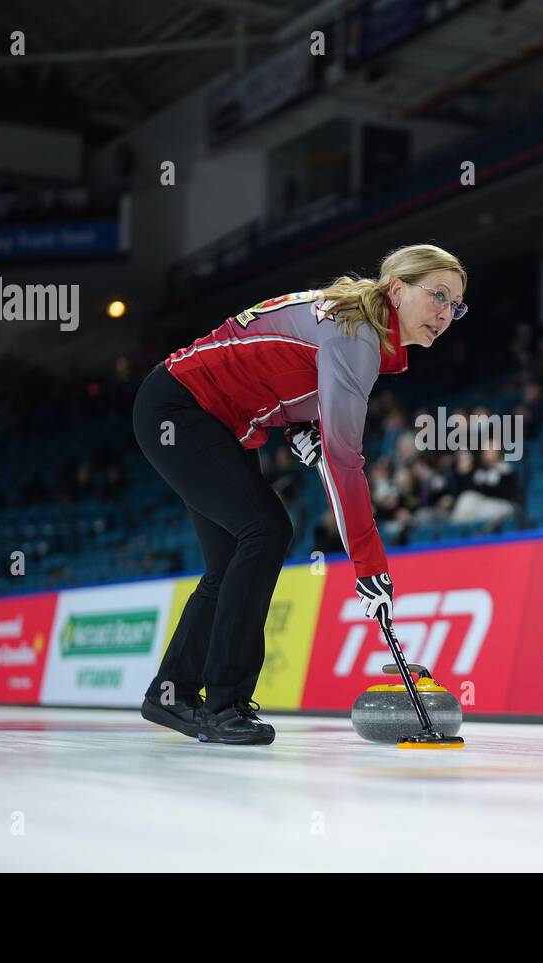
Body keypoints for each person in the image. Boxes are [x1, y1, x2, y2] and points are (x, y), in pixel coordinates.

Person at [132, 244, 467, 745]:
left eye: (456, 305)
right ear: (396, 288)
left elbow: (278, 371)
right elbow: (344, 462)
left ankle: (173, 693)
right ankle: (224, 706)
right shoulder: (356, 339)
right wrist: (369, 567)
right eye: (437, 295)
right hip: (181, 411)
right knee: (265, 531)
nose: (445, 313)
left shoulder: (356, 322)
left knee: (231, 556)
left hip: (214, 418)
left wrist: (300, 428)